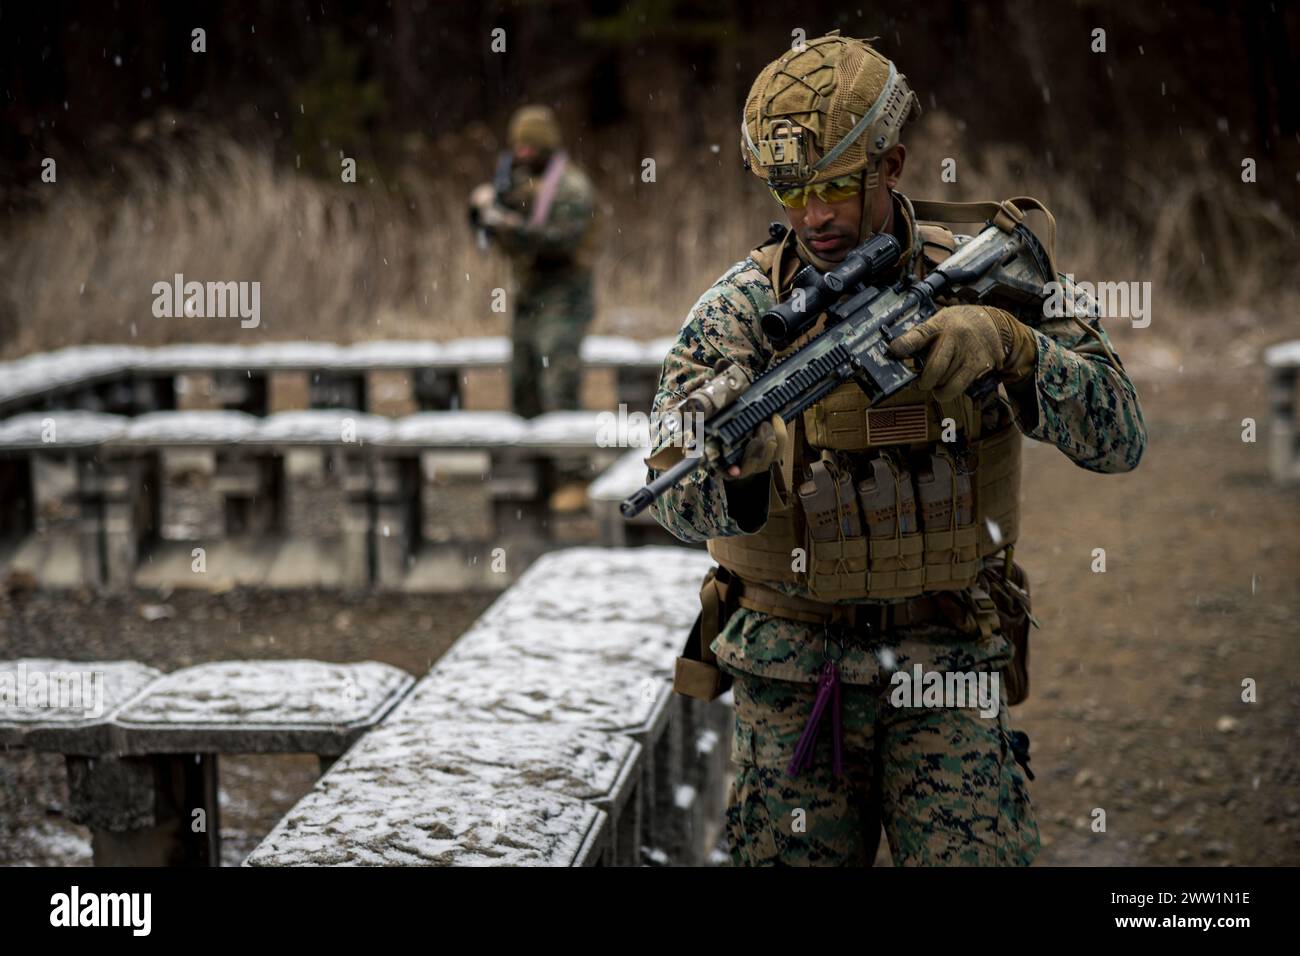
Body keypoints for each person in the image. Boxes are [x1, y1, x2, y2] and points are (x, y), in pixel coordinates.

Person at [643, 32, 1147, 866]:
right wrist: (741, 475)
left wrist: (1018, 350)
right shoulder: (740, 312)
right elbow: (668, 490)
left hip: (949, 659)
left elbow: (1120, 434)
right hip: (792, 676)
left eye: (838, 185)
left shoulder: (985, 270)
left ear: (895, 163)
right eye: (791, 190)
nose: (815, 217)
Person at [468, 104, 597, 420]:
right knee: (523, 386)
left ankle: (572, 467)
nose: (523, 152)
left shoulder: (571, 187)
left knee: (559, 387)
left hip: (564, 298)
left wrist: (511, 225)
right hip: (529, 297)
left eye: (530, 146)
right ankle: (535, 468)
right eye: (519, 146)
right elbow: (498, 236)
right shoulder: (518, 183)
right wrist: (482, 210)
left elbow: (560, 242)